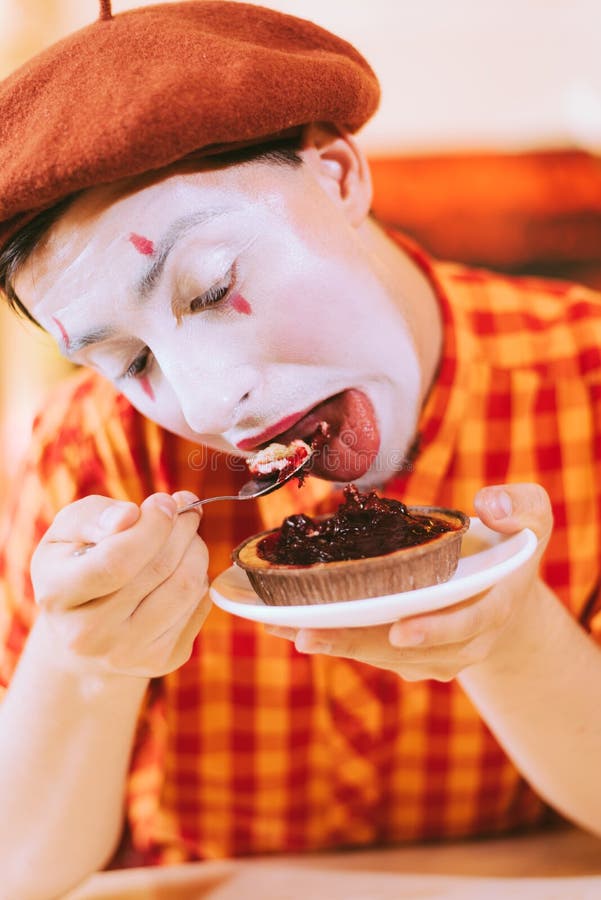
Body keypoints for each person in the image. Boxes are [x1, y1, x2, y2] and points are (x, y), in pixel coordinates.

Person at [1, 1, 601, 896]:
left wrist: (513, 642)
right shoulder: (87, 465)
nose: (206, 405)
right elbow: (20, 866)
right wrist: (85, 663)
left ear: (338, 175)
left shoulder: (586, 386)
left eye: (210, 289)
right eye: (126, 360)